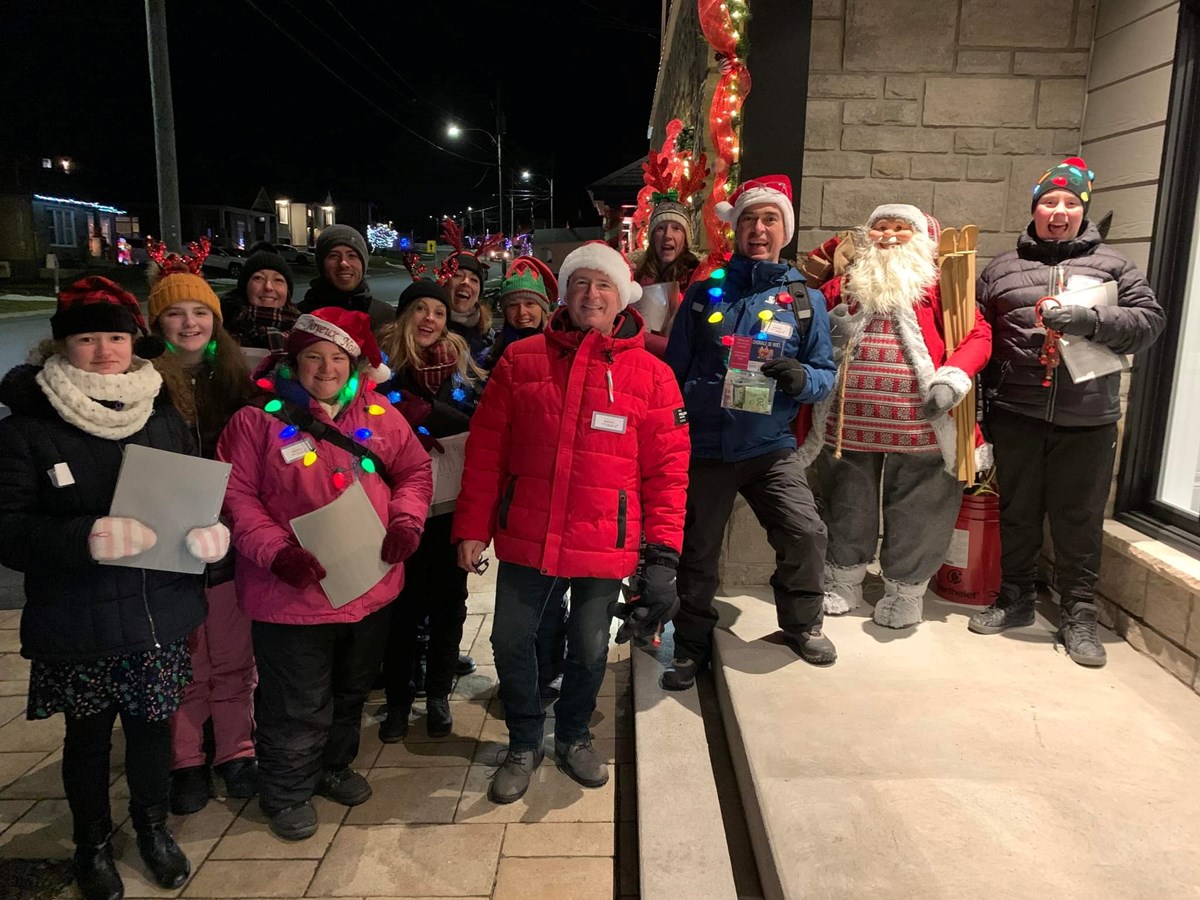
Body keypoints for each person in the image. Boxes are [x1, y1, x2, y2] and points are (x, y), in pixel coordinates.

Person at [0, 277, 225, 900]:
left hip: (158, 609)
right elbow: (9, 529)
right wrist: (84, 535)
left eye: (117, 337)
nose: (104, 352)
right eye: (87, 338)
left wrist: (210, 534)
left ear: (135, 342)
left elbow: (191, 494)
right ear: (61, 344)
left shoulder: (160, 412)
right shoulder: (27, 430)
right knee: (89, 734)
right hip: (80, 614)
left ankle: (152, 827)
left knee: (154, 727)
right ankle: (91, 842)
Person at [453, 242, 689, 804]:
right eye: (581, 284)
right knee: (512, 640)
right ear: (565, 293)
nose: (592, 294)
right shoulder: (521, 360)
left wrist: (662, 554)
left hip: (605, 539)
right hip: (529, 533)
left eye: (603, 285)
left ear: (621, 297)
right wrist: (471, 527)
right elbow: (488, 450)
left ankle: (576, 733)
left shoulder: (653, 375)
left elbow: (668, 474)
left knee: (587, 648)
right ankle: (525, 738)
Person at [216, 307, 432, 840]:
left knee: (350, 690)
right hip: (290, 592)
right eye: (314, 357)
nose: (327, 368)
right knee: (296, 699)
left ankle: (333, 766)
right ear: (294, 361)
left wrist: (405, 522)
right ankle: (286, 790)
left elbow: (414, 471)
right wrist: (276, 552)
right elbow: (235, 495)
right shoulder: (256, 420)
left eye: (338, 358)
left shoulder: (381, 414)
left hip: (369, 585)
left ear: (355, 364)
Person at [968, 157, 1164, 667]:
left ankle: (1079, 614)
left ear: (1084, 211)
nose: (1059, 212)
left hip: (1089, 419)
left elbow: (1149, 322)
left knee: (1078, 521)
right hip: (1017, 413)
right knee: (1017, 512)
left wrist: (1091, 319)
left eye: (1070, 204)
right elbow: (979, 334)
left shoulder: (1115, 267)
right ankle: (1015, 598)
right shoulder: (1001, 269)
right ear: (1034, 209)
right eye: (1049, 202)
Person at [663, 175, 837, 689]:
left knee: (806, 532)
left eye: (769, 220)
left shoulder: (806, 301)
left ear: (785, 229)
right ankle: (690, 646)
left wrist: (803, 378)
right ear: (734, 229)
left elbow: (825, 372)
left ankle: (803, 626)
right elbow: (671, 374)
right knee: (697, 551)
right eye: (748, 220)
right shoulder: (703, 295)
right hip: (707, 447)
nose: (758, 229)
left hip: (769, 446)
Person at [796, 206, 992, 628]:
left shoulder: (940, 287)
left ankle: (906, 590)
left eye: (900, 230)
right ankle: (844, 579)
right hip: (847, 427)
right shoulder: (846, 285)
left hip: (923, 426)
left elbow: (977, 333)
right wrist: (829, 329)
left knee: (921, 507)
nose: (887, 236)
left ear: (920, 238)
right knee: (846, 501)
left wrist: (952, 378)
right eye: (880, 228)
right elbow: (807, 316)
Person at [145, 244, 261, 813]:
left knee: (235, 652)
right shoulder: (141, 385)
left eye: (199, 313)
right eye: (175, 313)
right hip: (167, 540)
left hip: (231, 537)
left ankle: (236, 750)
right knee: (184, 657)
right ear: (156, 322)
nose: (189, 323)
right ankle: (185, 758)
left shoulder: (237, 379)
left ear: (214, 320)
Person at [374, 279, 486, 742]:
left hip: (452, 507)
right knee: (402, 608)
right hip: (400, 507)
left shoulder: (464, 373)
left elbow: (483, 428)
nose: (430, 319)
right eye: (419, 309)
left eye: (438, 312)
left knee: (449, 605)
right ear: (404, 318)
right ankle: (399, 702)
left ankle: (438, 694)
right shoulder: (380, 375)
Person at [481, 256, 572, 696]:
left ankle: (550, 665)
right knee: (520, 596)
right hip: (516, 493)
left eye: (530, 305)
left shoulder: (562, 351)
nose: (522, 313)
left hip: (553, 488)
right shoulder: (495, 354)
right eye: (514, 305)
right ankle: (520, 676)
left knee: (553, 594)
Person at [298, 225, 395, 332]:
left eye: (352, 256)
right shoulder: (302, 317)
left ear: (363, 264)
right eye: (334, 256)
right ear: (322, 264)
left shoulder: (386, 318)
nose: (343, 263)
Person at [220, 242, 300, 350]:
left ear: (288, 291)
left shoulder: (304, 332)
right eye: (258, 278)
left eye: (278, 280)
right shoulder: (221, 326)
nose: (268, 287)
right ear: (245, 287)